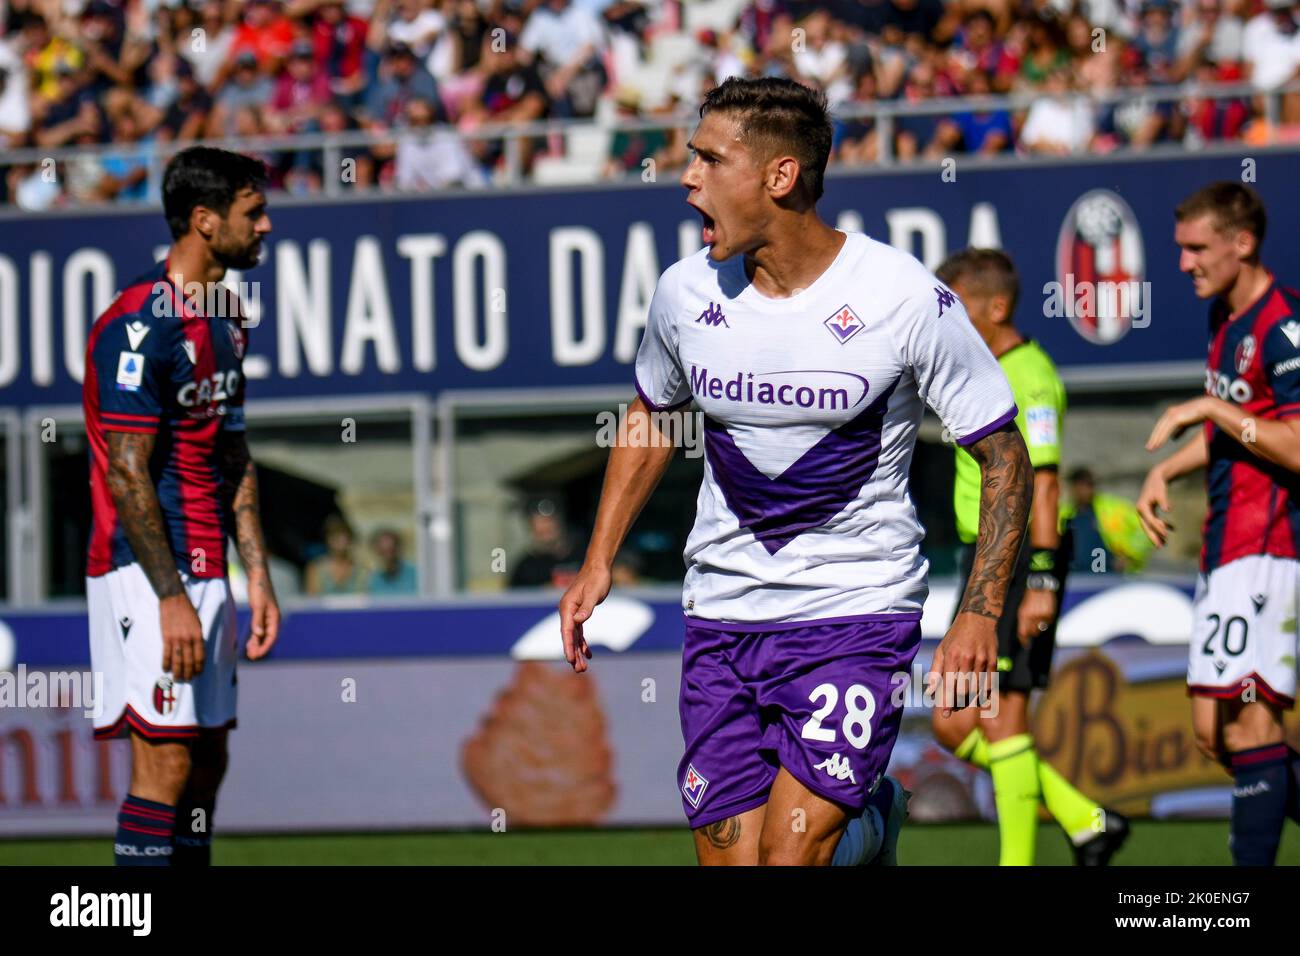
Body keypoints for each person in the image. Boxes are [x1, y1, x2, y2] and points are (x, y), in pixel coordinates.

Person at [558, 77, 1034, 866]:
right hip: (721, 616)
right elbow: (649, 414)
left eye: (710, 159)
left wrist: (980, 612)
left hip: (855, 612)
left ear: (779, 177)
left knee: (792, 855)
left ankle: (865, 819)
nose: (687, 178)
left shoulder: (904, 297)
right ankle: (872, 818)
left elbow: (1002, 450)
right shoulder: (684, 295)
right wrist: (598, 559)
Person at [82, 146, 280, 865]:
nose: (265, 227)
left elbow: (232, 452)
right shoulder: (140, 322)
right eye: (252, 213)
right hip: (145, 567)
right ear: (204, 220)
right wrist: (170, 598)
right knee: (164, 767)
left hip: (209, 564)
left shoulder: (228, 315)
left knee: (205, 766)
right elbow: (127, 474)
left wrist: (255, 573)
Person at [929, 248, 1129, 866]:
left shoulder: (1030, 374)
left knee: (998, 718)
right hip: (985, 555)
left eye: (956, 305)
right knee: (954, 722)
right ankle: (1085, 819)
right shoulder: (985, 368)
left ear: (997, 305)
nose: (947, 320)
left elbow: (1043, 482)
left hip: (1017, 558)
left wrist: (1040, 576)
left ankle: (1021, 859)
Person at [1138, 181, 1300, 866]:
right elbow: (1241, 430)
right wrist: (1165, 471)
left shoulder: (1284, 327)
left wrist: (1206, 410)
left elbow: (1292, 444)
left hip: (1269, 546)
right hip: (1224, 546)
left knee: (1253, 720)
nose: (1183, 264)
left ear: (1243, 243)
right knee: (1215, 733)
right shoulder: (1224, 321)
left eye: (1196, 248)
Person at [1060, 466, 1153, 574]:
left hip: (1108, 578)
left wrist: (1129, 555)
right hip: (1075, 579)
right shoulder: (1064, 513)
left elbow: (1147, 528)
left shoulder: (1113, 508)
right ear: (1072, 487)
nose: (1086, 490)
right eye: (1081, 485)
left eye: (1089, 485)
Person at [510, 499, 582, 588]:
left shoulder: (586, 556)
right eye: (541, 531)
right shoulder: (526, 568)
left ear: (560, 522)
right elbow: (514, 599)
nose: (545, 525)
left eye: (549, 521)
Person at [305, 513, 365, 595]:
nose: (337, 539)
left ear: (350, 538)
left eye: (342, 535)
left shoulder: (361, 569)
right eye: (332, 535)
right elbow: (312, 600)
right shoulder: (316, 568)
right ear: (327, 539)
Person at [368, 528, 419, 595]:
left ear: (399, 549)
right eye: (383, 552)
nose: (388, 557)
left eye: (391, 550)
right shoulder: (375, 579)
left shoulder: (416, 574)